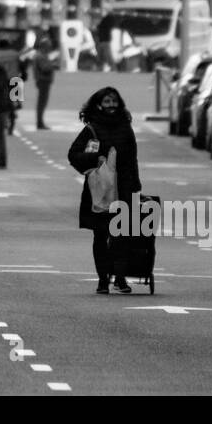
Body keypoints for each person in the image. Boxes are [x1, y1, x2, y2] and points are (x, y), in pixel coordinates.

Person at [69, 87, 142, 295]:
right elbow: (73, 155)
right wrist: (96, 159)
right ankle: (102, 280)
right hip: (98, 191)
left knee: (121, 236)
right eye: (107, 102)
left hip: (124, 189)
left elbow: (132, 160)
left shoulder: (126, 128)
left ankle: (119, 278)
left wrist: (135, 187)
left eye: (114, 101)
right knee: (100, 236)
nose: (111, 106)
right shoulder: (91, 130)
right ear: (98, 104)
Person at [30, 30, 58, 130]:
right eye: (48, 46)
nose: (49, 48)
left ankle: (40, 121)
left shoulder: (40, 55)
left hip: (42, 80)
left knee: (42, 102)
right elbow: (45, 68)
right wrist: (53, 64)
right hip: (43, 80)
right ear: (44, 46)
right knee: (42, 102)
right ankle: (40, 122)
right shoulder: (41, 56)